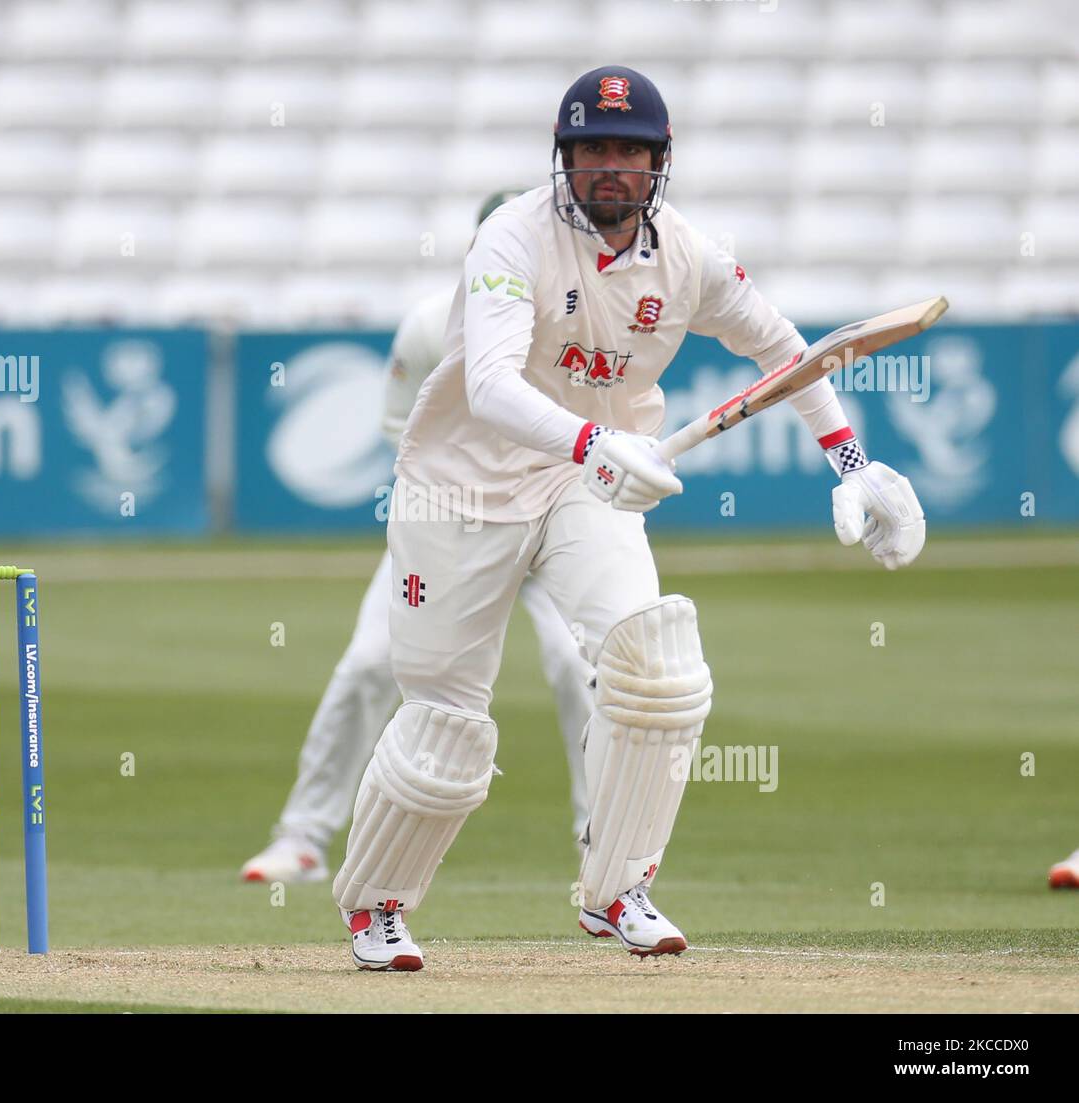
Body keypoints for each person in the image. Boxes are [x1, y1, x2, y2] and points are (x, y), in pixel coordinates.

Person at [332, 65, 926, 972]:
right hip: (461, 485)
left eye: (631, 152)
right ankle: (377, 906)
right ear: (564, 159)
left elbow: (785, 351)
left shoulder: (689, 254)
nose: (611, 167)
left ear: (660, 163)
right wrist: (590, 443)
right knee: (447, 714)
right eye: (593, 150)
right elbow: (489, 386)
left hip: (587, 485)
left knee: (657, 667)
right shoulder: (510, 238)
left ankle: (617, 889)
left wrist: (850, 463)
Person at [240, 194, 593, 886]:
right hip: (445, 523)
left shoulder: (588, 325)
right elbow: (400, 429)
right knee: (371, 662)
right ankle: (304, 838)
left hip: (550, 523)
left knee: (579, 668)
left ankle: (601, 845)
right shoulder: (433, 327)